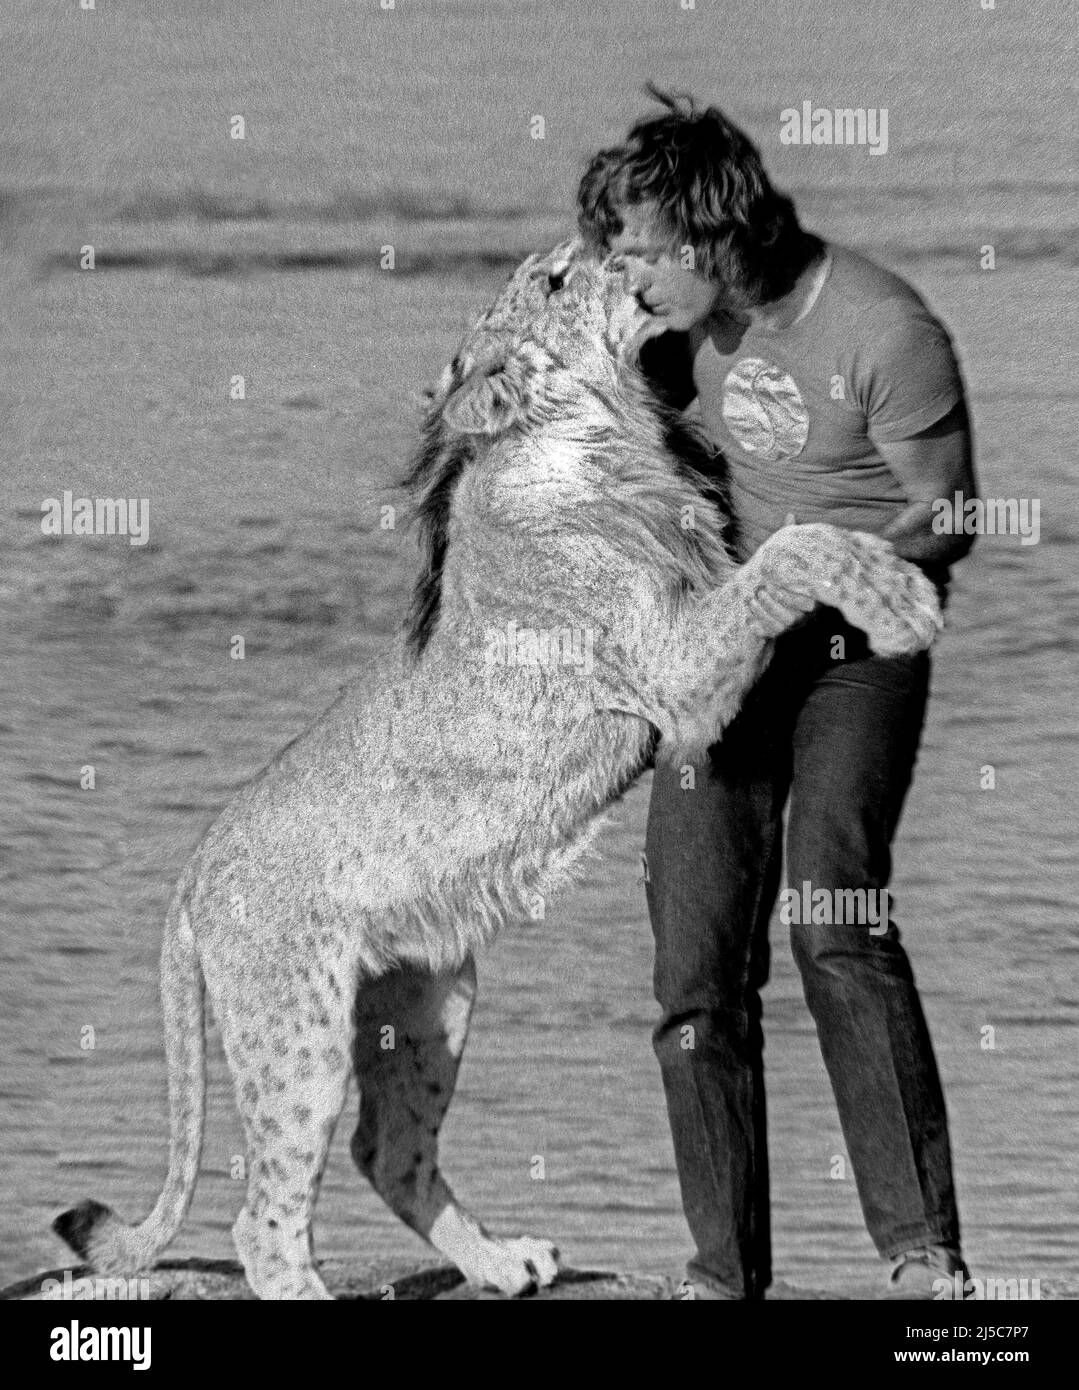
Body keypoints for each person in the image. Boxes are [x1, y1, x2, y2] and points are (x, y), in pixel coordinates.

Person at [576, 88, 979, 1300]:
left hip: (857, 646)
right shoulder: (657, 337)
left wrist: (827, 570)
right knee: (693, 969)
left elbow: (949, 513)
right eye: (620, 252)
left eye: (645, 250)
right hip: (724, 653)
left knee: (831, 920)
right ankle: (721, 1277)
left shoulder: (879, 327)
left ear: (713, 232)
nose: (627, 275)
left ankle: (922, 1259)